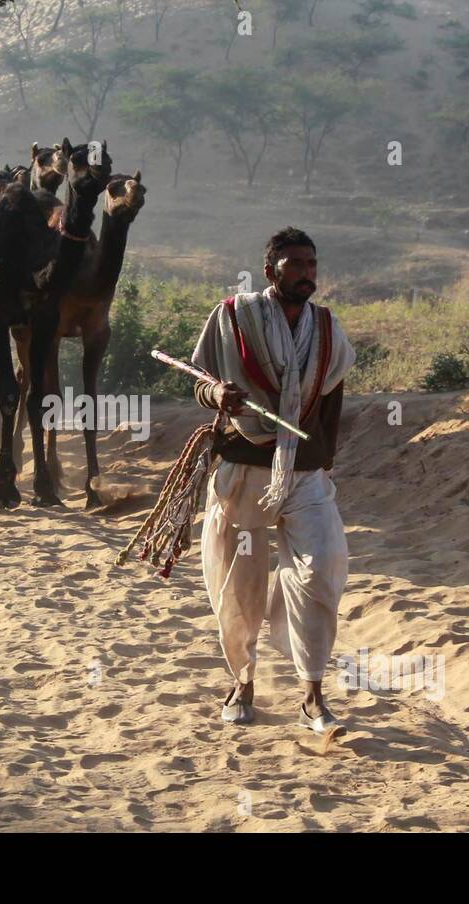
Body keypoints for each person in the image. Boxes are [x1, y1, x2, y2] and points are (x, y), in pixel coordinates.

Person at [189, 226, 356, 739]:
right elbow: (200, 383)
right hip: (244, 467)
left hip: (305, 473)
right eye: (295, 265)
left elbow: (331, 402)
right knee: (241, 583)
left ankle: (312, 695)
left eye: (312, 264)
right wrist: (216, 398)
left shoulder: (328, 330)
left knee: (321, 569)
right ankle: (243, 682)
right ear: (270, 271)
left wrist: (321, 460)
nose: (307, 273)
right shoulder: (232, 317)